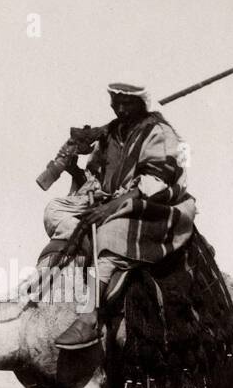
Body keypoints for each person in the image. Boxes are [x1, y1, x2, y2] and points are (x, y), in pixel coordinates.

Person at [43, 82, 197, 350]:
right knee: (55, 209)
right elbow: (96, 177)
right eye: (116, 102)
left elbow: (155, 181)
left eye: (128, 103)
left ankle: (89, 314)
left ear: (142, 103)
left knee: (110, 230)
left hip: (151, 205)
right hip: (109, 200)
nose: (121, 109)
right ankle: (82, 255)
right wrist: (74, 171)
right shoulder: (112, 133)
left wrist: (110, 208)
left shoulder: (160, 133)